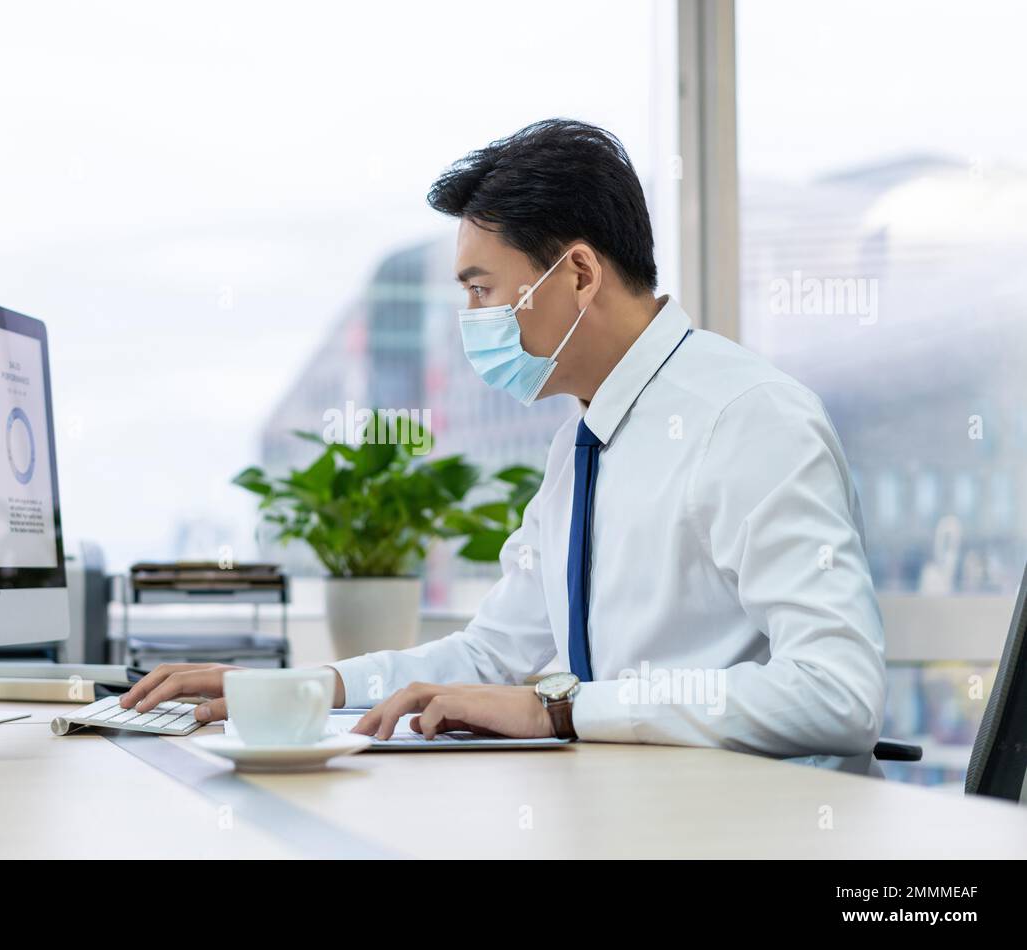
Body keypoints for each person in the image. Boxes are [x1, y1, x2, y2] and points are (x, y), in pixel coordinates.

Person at [121, 119, 886, 763]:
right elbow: (490, 656)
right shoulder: (584, 441)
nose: (473, 319)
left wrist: (560, 710)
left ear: (579, 272)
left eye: (483, 290)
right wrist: (312, 689)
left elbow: (838, 690)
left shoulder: (747, 418)